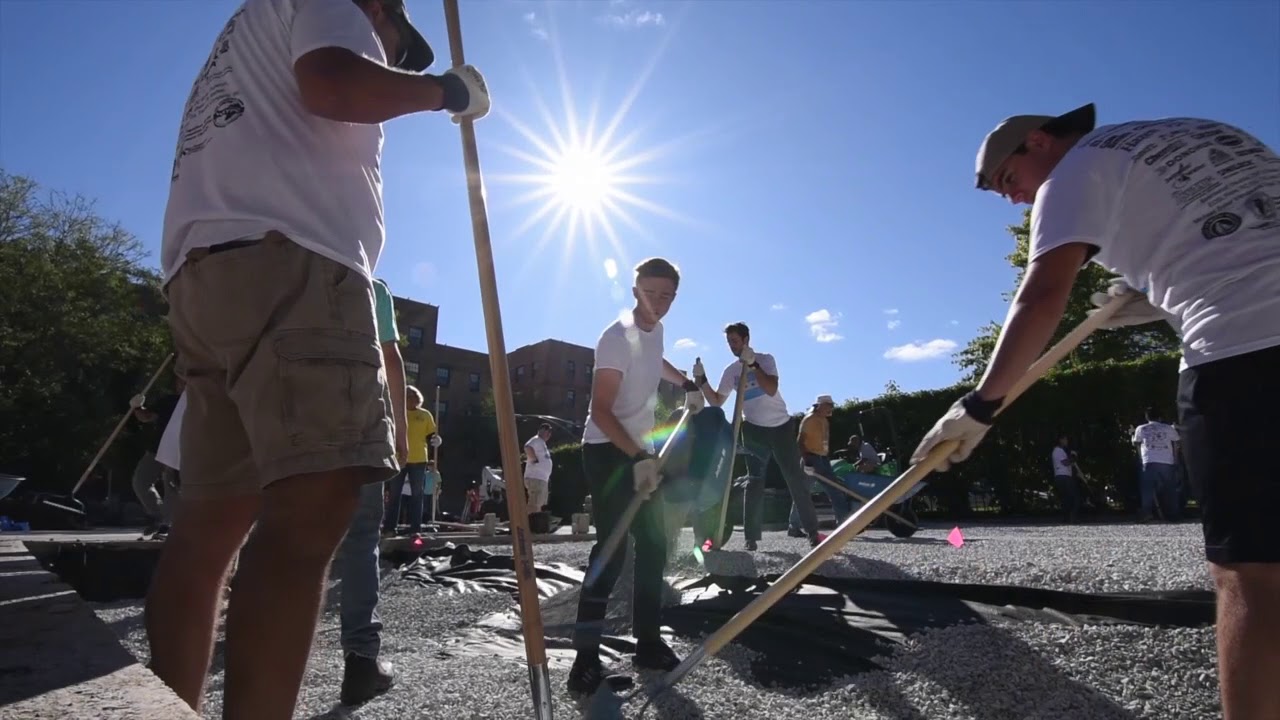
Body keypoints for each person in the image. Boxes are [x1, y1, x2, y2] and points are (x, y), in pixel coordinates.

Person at [148, 0, 491, 715]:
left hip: (208, 273)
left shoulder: (247, 30)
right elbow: (336, 84)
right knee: (310, 515)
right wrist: (448, 92)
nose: (392, 58)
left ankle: (166, 707)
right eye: (394, 43)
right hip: (292, 267)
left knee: (208, 531)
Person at [911, 102, 1280, 720]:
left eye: (1008, 182)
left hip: (1246, 355)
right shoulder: (1199, 133)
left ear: (1037, 141)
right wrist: (1158, 291)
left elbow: (1043, 295)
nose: (1014, 201)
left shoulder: (1073, 171)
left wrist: (981, 405)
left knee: (1254, 576)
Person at [567, 257, 704, 696]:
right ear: (634, 291)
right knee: (611, 550)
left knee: (654, 546)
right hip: (608, 451)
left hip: (639, 451)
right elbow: (599, 411)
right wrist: (636, 457)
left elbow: (657, 358)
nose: (658, 304)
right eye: (651, 293)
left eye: (667, 296)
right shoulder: (615, 338)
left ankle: (647, 642)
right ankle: (584, 660)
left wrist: (686, 384)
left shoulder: (656, 329)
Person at [332, 277, 407, 706]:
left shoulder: (282, 261)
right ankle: (361, 659)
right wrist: (399, 433)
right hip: (359, 420)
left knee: (285, 533)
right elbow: (390, 359)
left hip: (289, 416)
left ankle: (264, 655)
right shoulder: (368, 286)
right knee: (361, 543)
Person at [692, 323, 825, 548]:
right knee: (754, 482)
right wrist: (702, 379)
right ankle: (751, 538)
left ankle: (813, 532)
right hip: (753, 430)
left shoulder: (765, 359)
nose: (732, 346)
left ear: (746, 339)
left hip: (780, 426)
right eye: (729, 343)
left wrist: (753, 365)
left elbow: (771, 388)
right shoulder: (731, 371)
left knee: (795, 479)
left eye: (735, 341)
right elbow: (716, 401)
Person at [382, 386, 440, 535]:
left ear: (418, 399)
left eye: (413, 397)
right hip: (399, 457)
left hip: (419, 459)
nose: (411, 400)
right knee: (395, 494)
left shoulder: (425, 415)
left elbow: (432, 434)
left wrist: (436, 440)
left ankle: (415, 529)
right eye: (408, 397)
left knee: (417, 494)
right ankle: (389, 528)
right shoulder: (397, 415)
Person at [129, 377, 184, 536]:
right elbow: (146, 416)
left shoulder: (196, 403)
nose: (181, 384)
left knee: (171, 484)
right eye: (179, 381)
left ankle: (168, 524)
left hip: (179, 450)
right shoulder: (169, 401)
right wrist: (137, 407)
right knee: (141, 481)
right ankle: (158, 516)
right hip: (157, 449)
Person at [794, 395, 852, 535]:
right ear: (819, 405)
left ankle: (844, 524)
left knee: (835, 491)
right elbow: (800, 442)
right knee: (803, 493)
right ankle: (793, 526)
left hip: (822, 459)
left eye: (832, 405)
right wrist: (807, 461)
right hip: (811, 458)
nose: (831, 408)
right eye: (829, 405)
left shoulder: (824, 421)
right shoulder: (810, 420)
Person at [1132, 408, 1181, 522]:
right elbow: (1176, 443)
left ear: (1147, 417)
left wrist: (1140, 459)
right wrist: (1175, 459)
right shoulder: (1168, 428)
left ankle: (1147, 512)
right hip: (1167, 460)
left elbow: (1137, 444)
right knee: (1170, 488)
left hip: (1148, 460)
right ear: (1160, 417)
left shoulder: (1141, 428)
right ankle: (1173, 513)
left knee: (1147, 488)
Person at [523, 422, 554, 513]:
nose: (549, 434)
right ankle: (530, 523)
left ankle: (536, 523)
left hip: (541, 479)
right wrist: (534, 459)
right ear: (540, 430)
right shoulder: (536, 440)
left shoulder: (541, 443)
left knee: (538, 504)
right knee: (534, 503)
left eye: (550, 432)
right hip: (535, 477)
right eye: (547, 431)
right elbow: (527, 447)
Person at [1050, 435, 1080, 523]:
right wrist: (1073, 458)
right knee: (1075, 497)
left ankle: (1066, 518)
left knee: (1066, 498)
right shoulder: (1058, 451)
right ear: (1060, 440)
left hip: (1062, 476)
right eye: (1065, 439)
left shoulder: (1060, 451)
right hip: (1063, 476)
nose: (1067, 441)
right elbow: (1065, 463)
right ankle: (1072, 517)